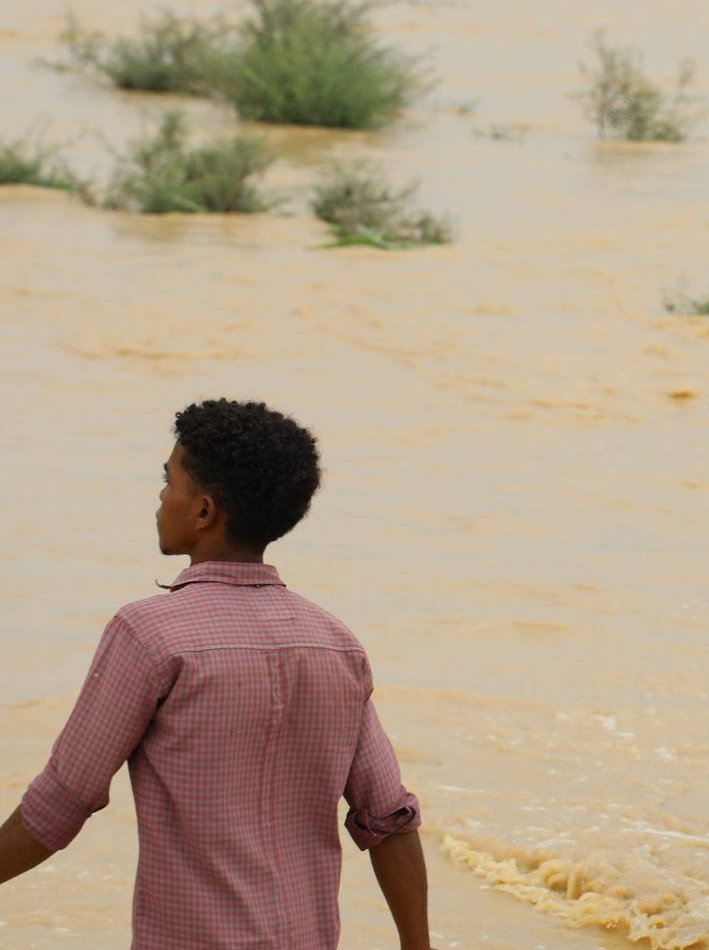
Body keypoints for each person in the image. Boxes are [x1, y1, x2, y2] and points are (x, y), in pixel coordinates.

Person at [0, 399, 431, 950]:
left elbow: (63, 801)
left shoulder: (150, 634)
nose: (160, 497)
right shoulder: (334, 643)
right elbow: (389, 820)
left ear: (203, 511)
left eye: (168, 481)